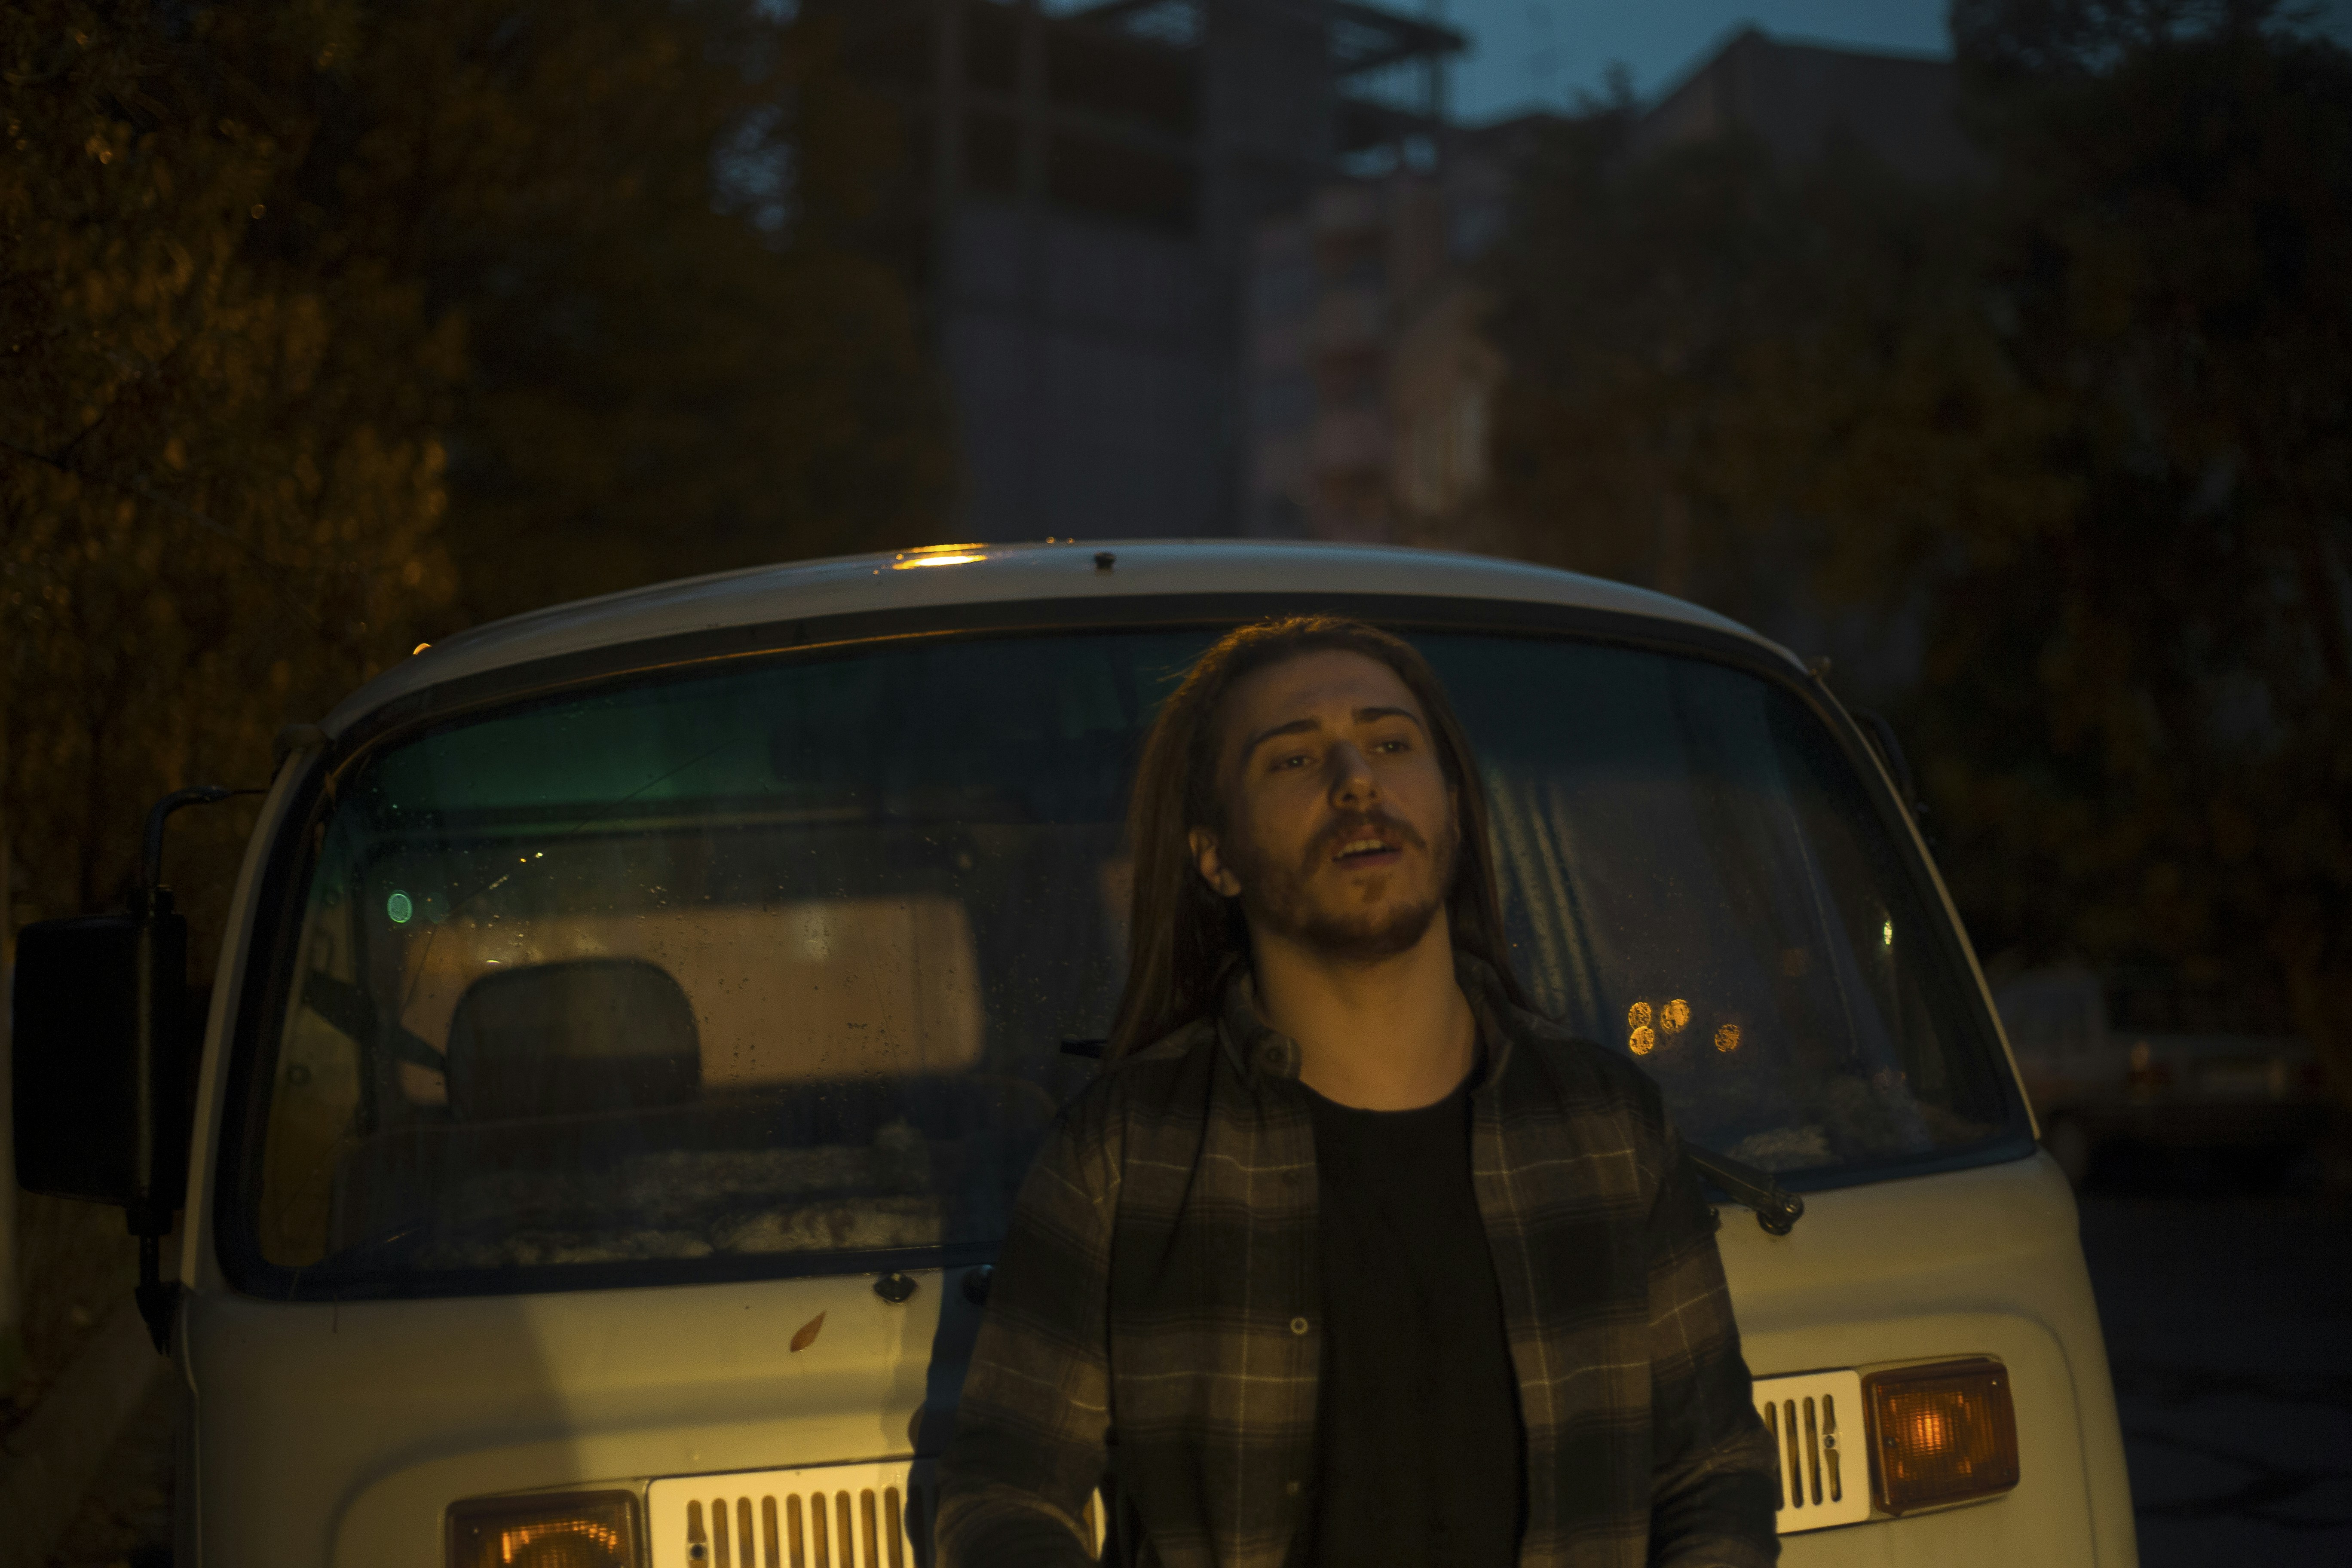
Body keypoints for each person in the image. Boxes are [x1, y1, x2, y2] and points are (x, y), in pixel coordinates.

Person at [937, 617, 1779, 1568]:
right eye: (1293, 761)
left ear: (1455, 809)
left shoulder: (1606, 1127)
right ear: (1215, 856)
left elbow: (1714, 1472)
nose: (1356, 782)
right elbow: (1003, 1496)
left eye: (1389, 743)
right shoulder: (1126, 1155)